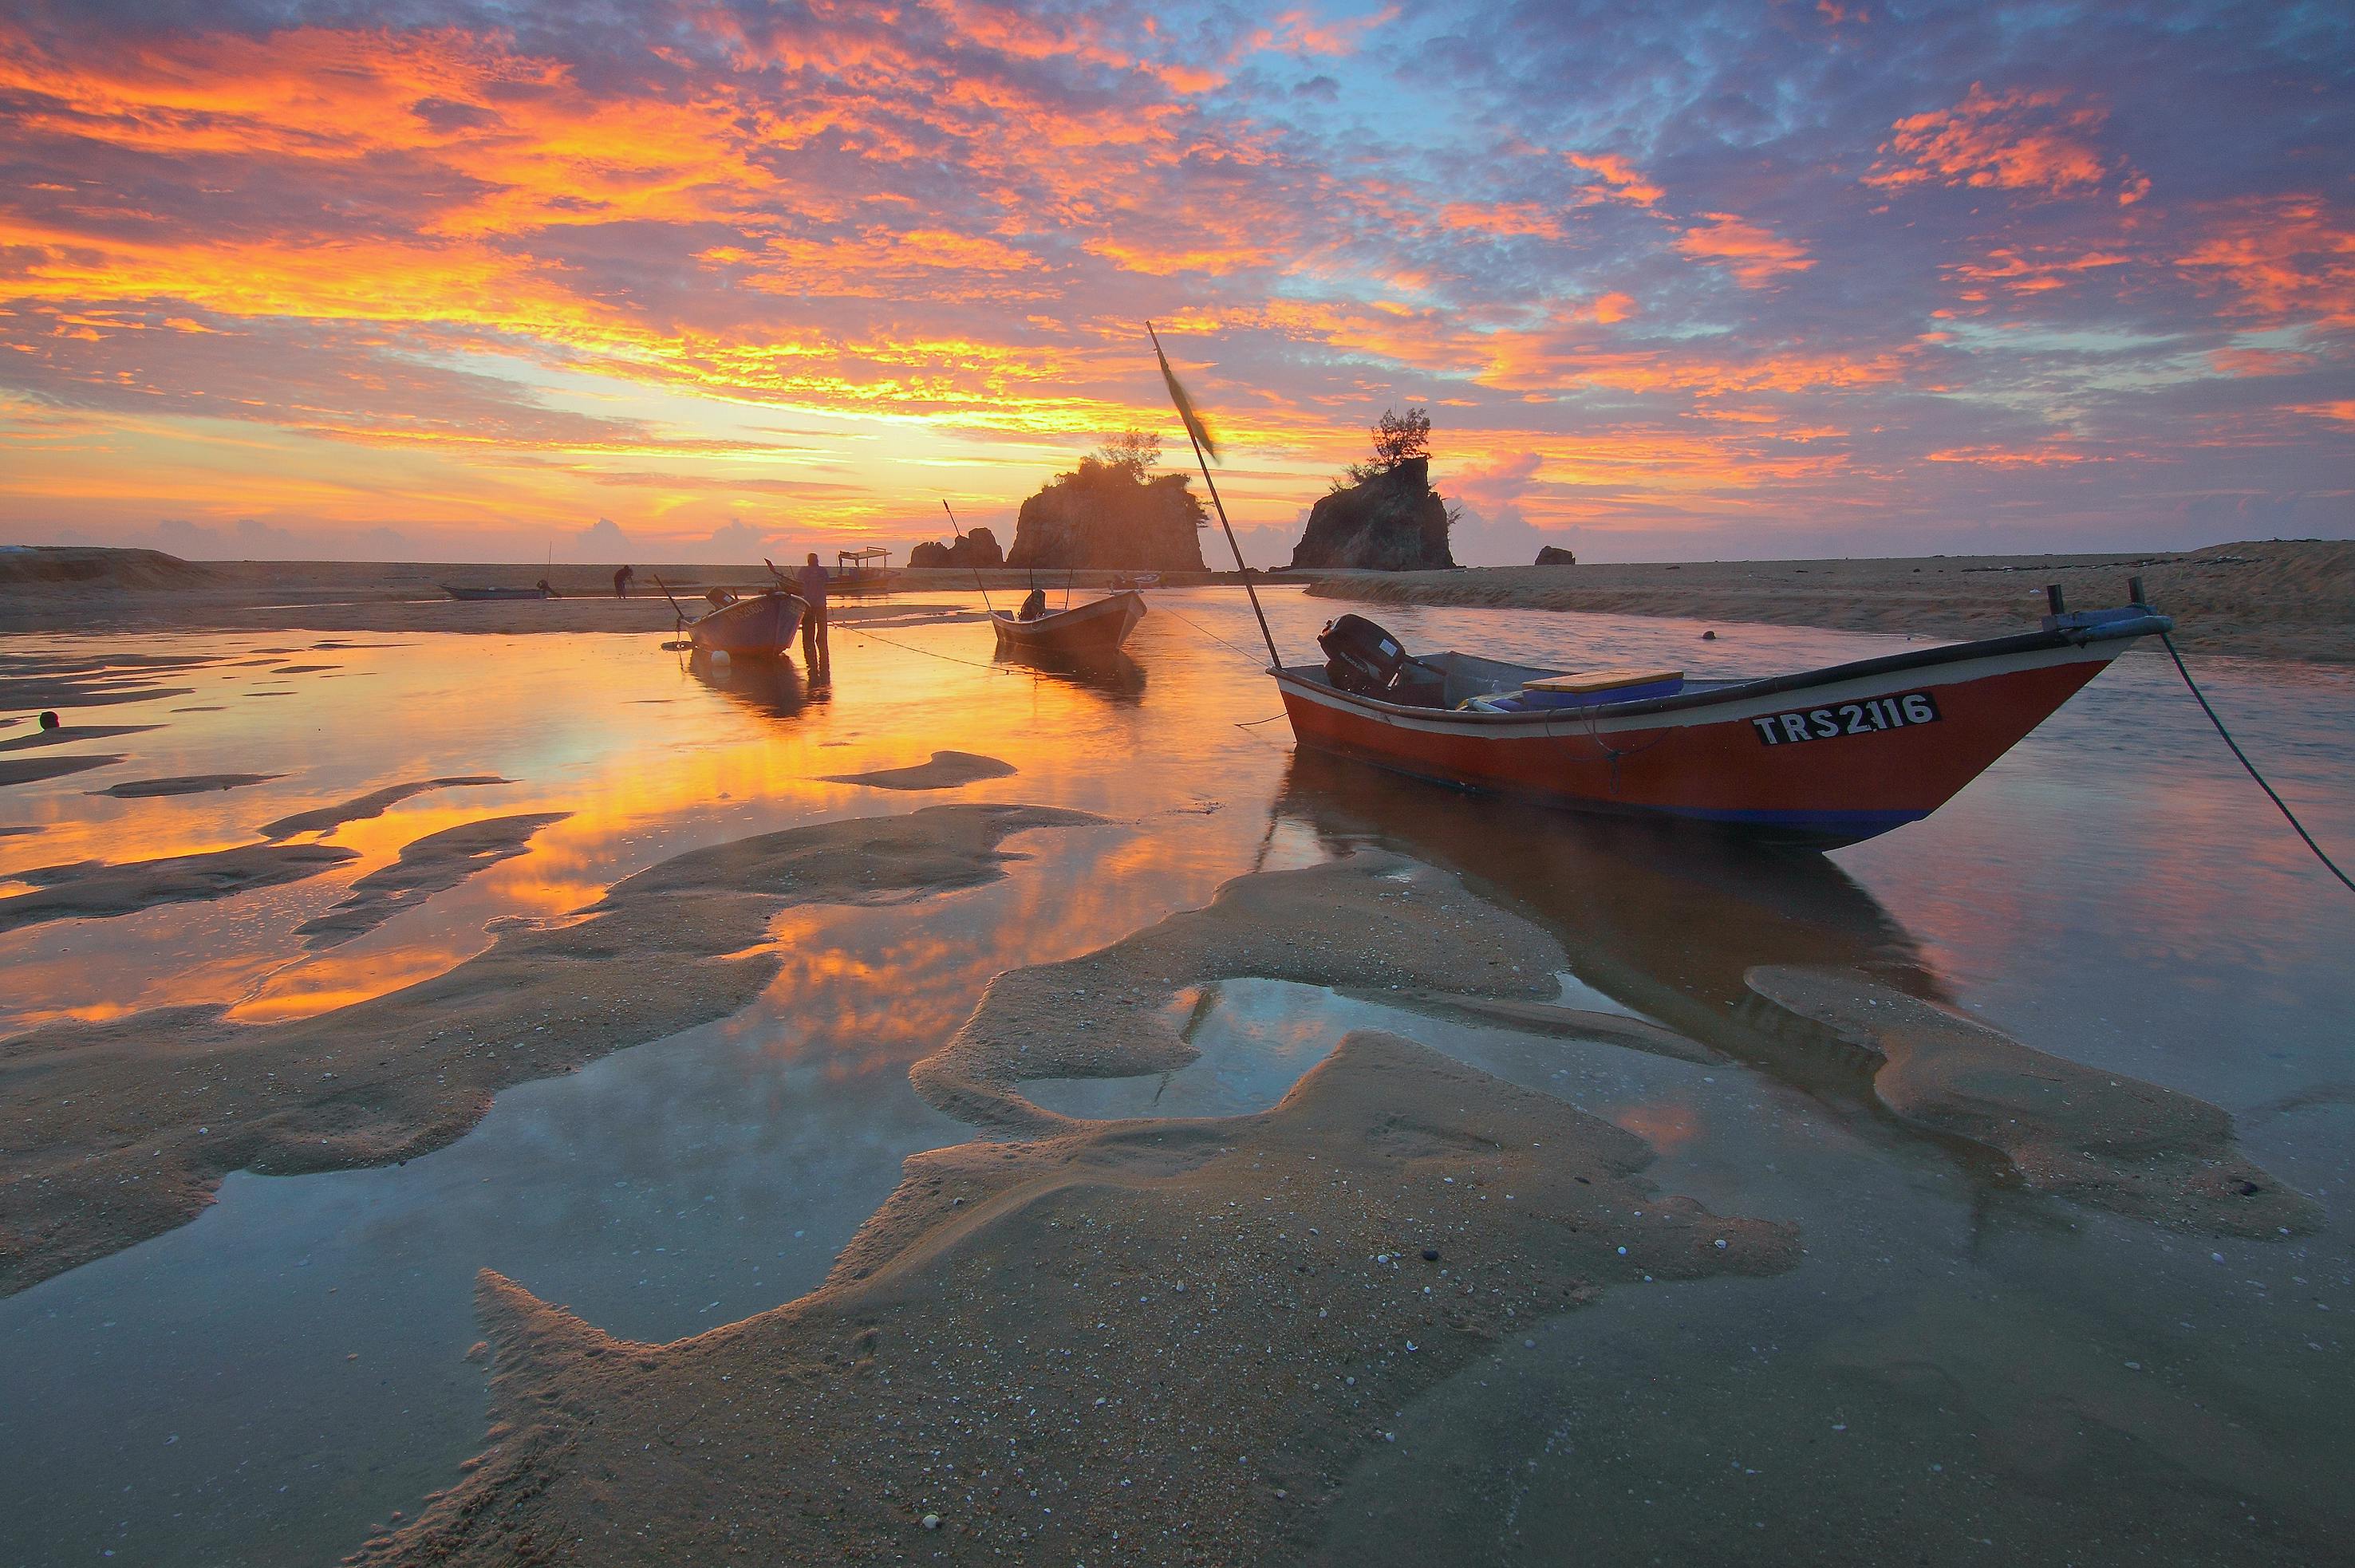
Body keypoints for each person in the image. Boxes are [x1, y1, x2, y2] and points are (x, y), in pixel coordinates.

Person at [796, 552, 830, 676]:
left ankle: (818, 643)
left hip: (818, 603)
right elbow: (799, 581)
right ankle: (814, 644)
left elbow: (827, 581)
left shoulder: (821, 571)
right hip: (810, 603)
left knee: (818, 628)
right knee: (809, 630)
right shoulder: (807, 571)